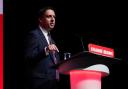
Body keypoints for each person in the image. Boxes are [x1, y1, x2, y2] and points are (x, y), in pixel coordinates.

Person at [24, 6, 60, 89]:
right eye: (49, 16)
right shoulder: (34, 35)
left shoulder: (52, 40)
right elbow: (28, 58)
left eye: (54, 17)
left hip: (53, 83)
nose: (52, 19)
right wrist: (46, 50)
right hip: (40, 83)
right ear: (40, 19)